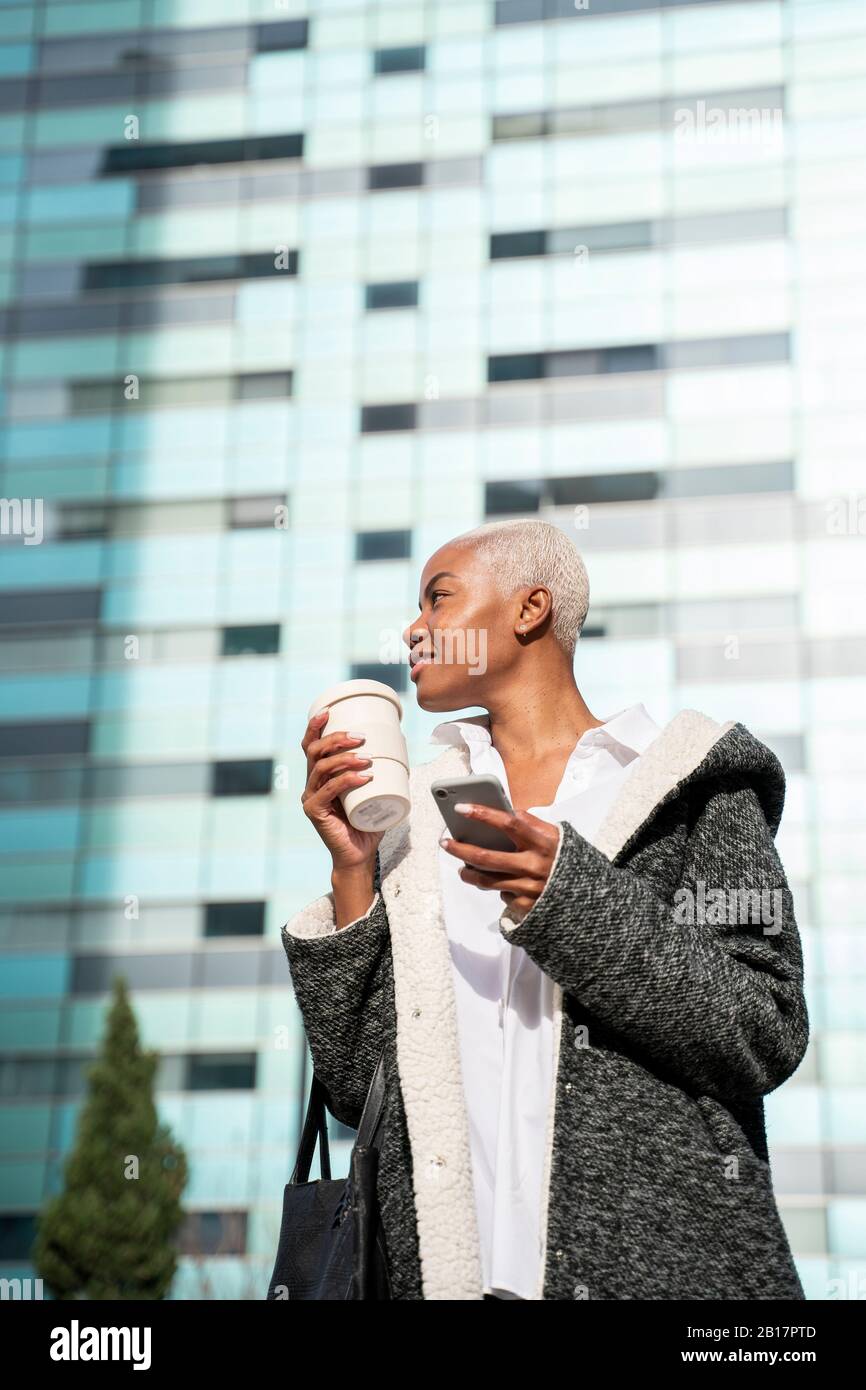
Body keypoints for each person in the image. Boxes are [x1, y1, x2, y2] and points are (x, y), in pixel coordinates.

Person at [283, 518, 809, 1301]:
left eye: (438, 600)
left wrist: (568, 895)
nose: (412, 629)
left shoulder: (695, 788)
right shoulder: (416, 817)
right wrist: (353, 868)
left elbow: (763, 1030)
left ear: (530, 611)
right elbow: (363, 1092)